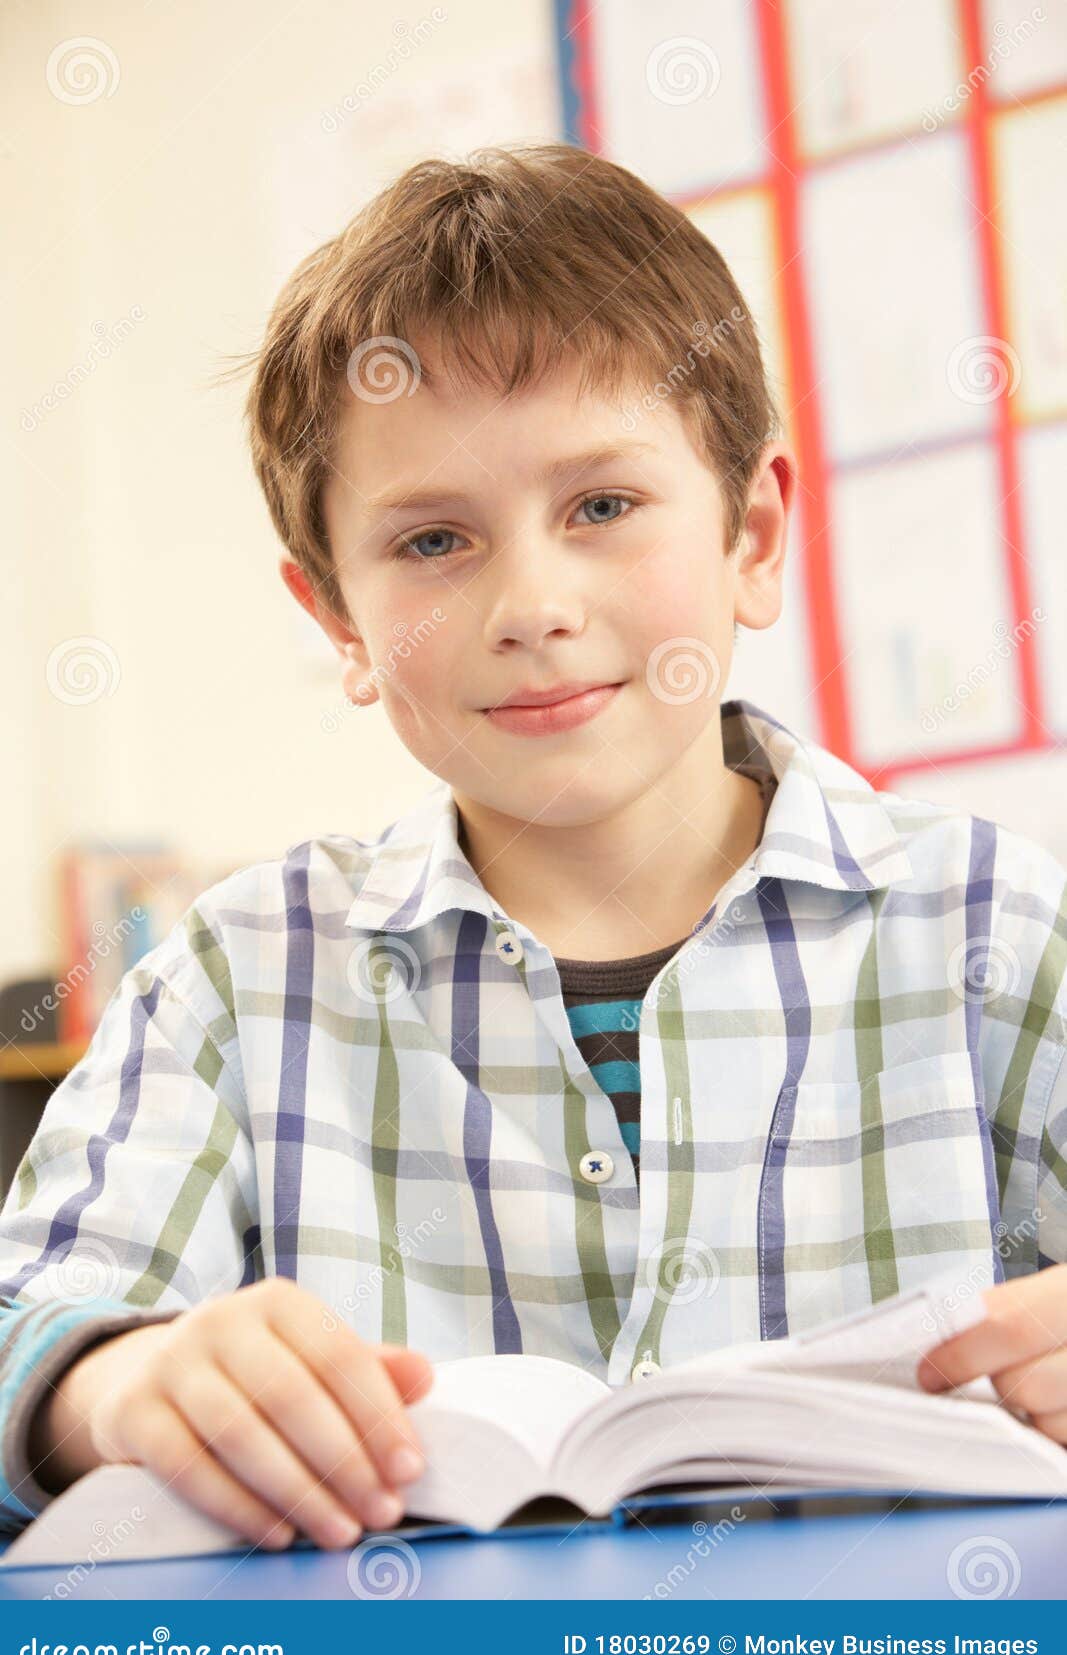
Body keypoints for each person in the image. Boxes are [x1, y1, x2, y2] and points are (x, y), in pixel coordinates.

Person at [2, 143, 1065, 1555]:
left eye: (602, 507)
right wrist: (109, 1380)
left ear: (752, 532)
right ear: (338, 619)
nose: (532, 601)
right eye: (435, 540)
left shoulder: (1000, 925)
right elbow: (29, 1318)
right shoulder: (230, 984)